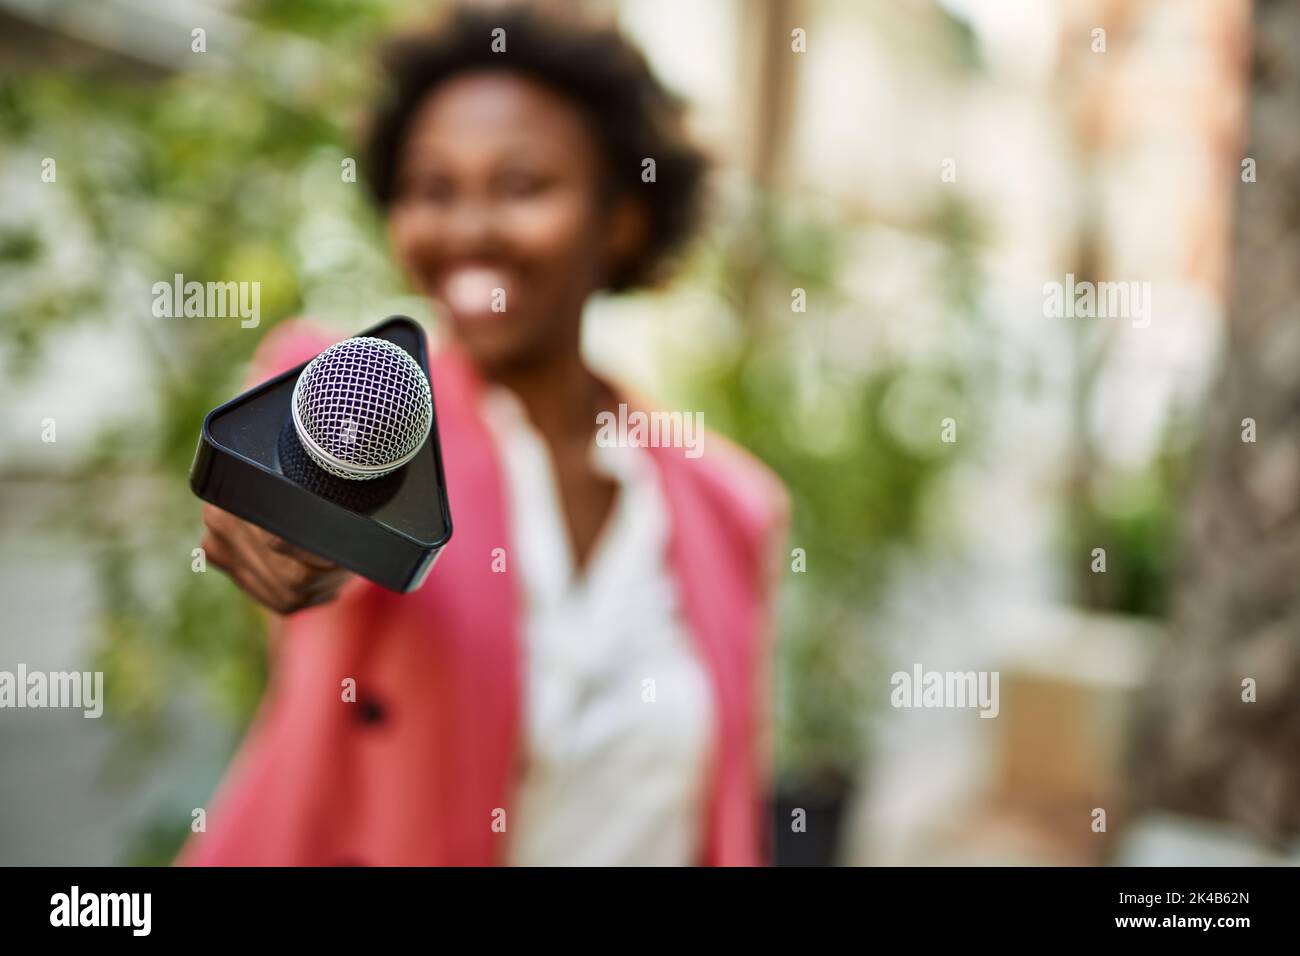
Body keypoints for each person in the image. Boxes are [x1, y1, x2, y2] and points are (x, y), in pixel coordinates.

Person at [181, 4, 788, 867]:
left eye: (522, 186)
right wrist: (286, 532)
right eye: (433, 190)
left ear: (620, 221)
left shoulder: (731, 507)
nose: (468, 230)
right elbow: (290, 505)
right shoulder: (355, 405)